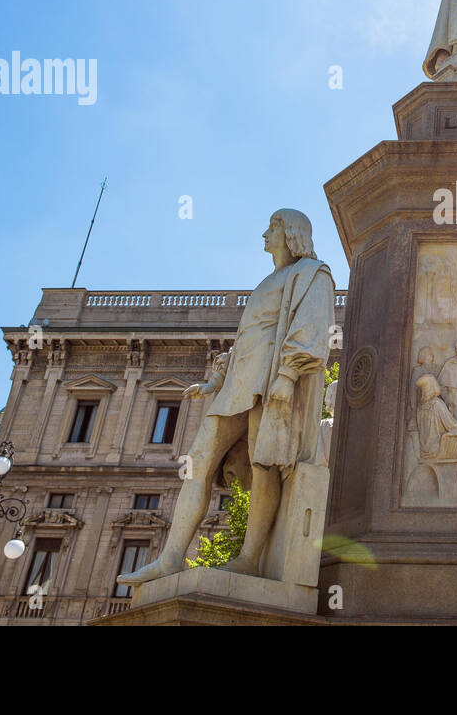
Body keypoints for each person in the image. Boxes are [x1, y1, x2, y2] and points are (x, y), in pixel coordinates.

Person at [118, 209, 334, 586]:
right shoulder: (269, 280)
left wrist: (287, 376)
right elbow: (249, 339)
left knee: (264, 462)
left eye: (273, 227)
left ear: (293, 234)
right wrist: (215, 380)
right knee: (199, 462)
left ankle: (249, 559)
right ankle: (171, 559)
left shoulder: (313, 274)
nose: (265, 233)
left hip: (269, 384)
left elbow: (311, 326)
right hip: (238, 385)